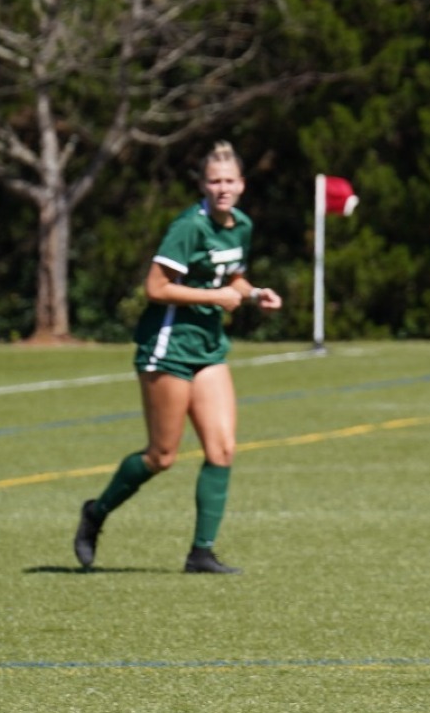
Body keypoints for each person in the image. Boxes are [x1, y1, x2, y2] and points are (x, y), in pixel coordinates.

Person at [73, 141, 282, 574]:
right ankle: (96, 512)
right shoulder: (188, 227)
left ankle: (201, 553)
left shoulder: (241, 225)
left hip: (208, 347)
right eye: (214, 181)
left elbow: (233, 277)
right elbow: (155, 287)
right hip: (168, 347)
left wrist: (255, 294)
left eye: (229, 180)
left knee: (222, 449)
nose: (222, 188)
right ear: (203, 185)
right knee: (162, 456)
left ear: (241, 185)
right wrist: (214, 296)